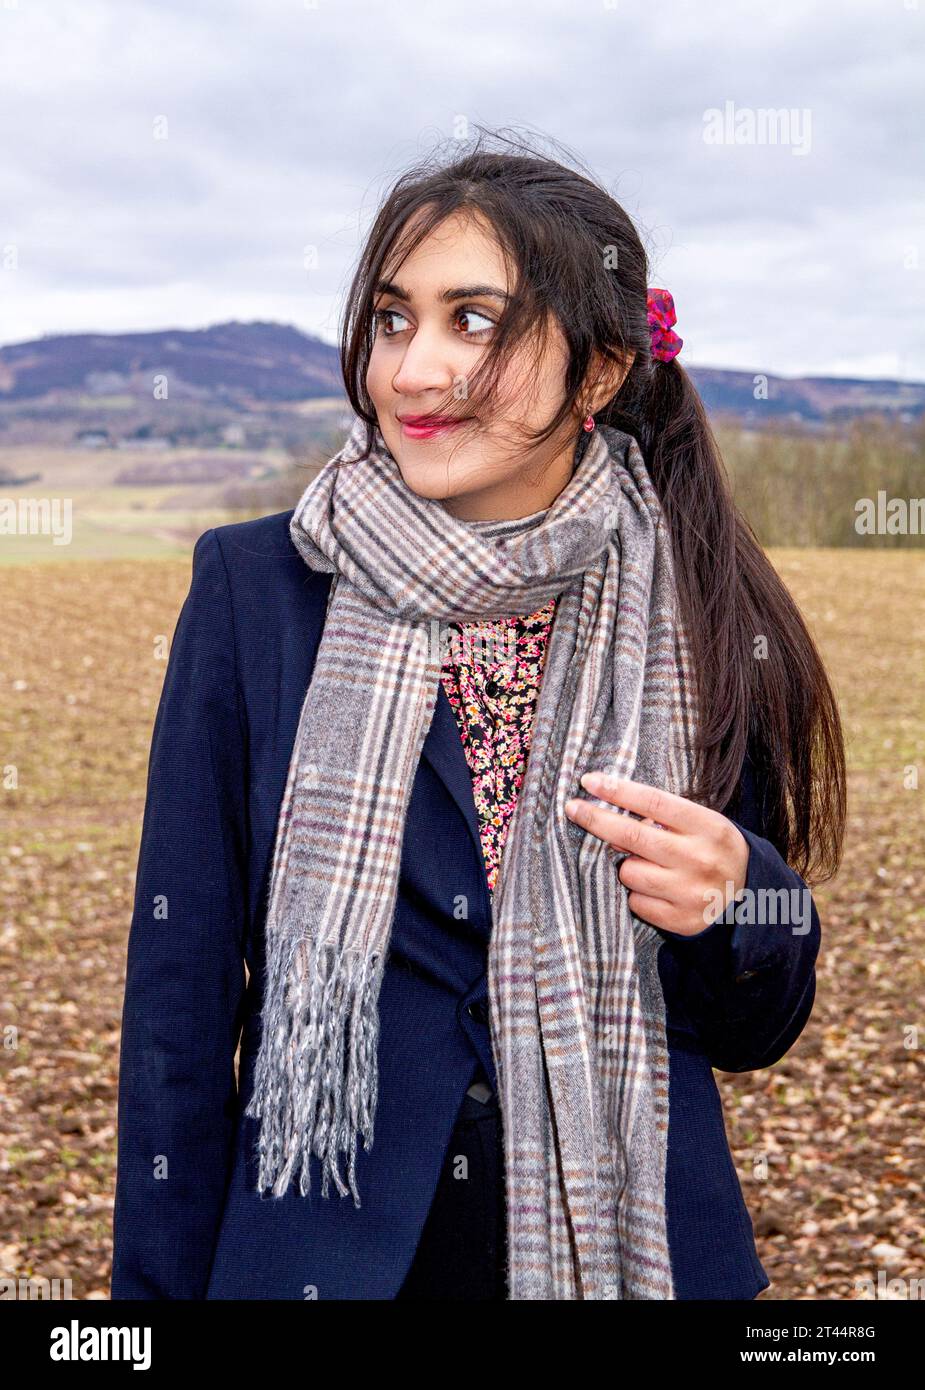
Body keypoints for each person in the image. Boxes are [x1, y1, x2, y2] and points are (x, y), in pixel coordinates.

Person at [111, 133, 846, 1301]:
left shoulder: (690, 606)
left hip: (634, 1252)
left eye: (475, 323)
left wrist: (738, 894)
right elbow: (180, 1008)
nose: (411, 371)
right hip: (332, 1265)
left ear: (600, 372)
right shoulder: (256, 590)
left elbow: (752, 1023)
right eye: (394, 319)